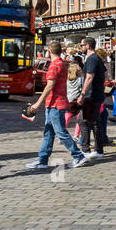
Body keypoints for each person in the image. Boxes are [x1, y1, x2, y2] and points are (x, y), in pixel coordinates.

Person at [24, 40, 88, 171]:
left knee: (60, 132)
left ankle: (78, 155)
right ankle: (42, 160)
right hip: (54, 104)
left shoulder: (54, 65)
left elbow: (49, 86)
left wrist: (37, 103)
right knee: (48, 132)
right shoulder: (62, 64)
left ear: (49, 51)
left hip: (55, 105)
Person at [76, 37, 108, 158]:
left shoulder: (92, 59)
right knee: (95, 122)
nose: (81, 47)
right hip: (96, 95)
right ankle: (98, 151)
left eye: (82, 45)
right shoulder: (96, 58)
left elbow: (89, 77)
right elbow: (105, 74)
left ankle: (86, 150)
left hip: (91, 96)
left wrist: (82, 94)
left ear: (88, 46)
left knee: (83, 121)